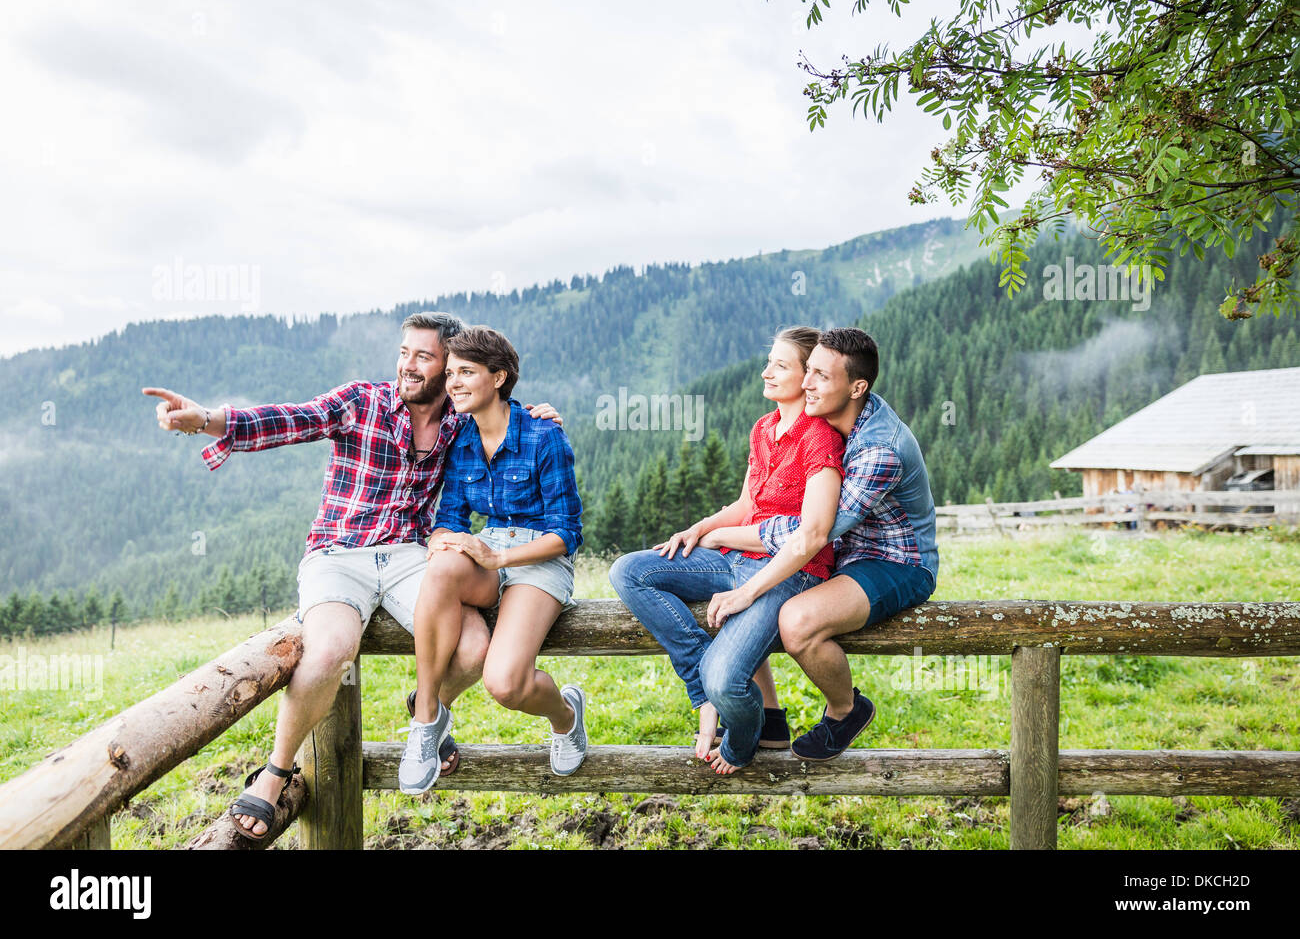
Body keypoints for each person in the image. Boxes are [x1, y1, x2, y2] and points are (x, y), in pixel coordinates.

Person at [143, 312, 565, 840]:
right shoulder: (361, 401)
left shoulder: (458, 418)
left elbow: (500, 413)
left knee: (474, 649)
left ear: (449, 369)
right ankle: (276, 771)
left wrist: (541, 416)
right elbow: (290, 419)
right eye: (404, 353)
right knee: (326, 654)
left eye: (425, 358)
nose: (408, 366)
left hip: (411, 555)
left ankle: (427, 712)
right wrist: (206, 418)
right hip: (339, 554)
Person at [609, 327, 844, 774]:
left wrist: (747, 588)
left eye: (780, 365)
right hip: (733, 558)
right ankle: (704, 692)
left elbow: (812, 534)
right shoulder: (765, 427)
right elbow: (747, 505)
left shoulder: (821, 438)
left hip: (790, 572)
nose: (766, 372)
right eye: (768, 361)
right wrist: (696, 530)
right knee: (630, 571)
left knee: (726, 679)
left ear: (808, 377)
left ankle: (741, 740)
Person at [722, 328, 938, 761]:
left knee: (796, 620)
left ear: (857, 387)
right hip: (840, 552)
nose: (806, 383)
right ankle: (768, 717)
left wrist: (732, 545)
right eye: (809, 371)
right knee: (740, 584)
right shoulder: (828, 420)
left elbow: (813, 531)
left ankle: (846, 709)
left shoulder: (880, 450)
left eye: (820, 375)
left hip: (894, 561)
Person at [398, 326, 586, 793]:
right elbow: (450, 516)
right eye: (452, 373)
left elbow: (567, 533)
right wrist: (445, 539)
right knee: (441, 565)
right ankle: (426, 722)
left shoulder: (545, 437)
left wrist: (498, 556)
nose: (454, 382)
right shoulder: (460, 439)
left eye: (467, 372)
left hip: (538, 559)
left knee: (506, 684)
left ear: (498, 377)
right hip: (489, 549)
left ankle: (566, 716)